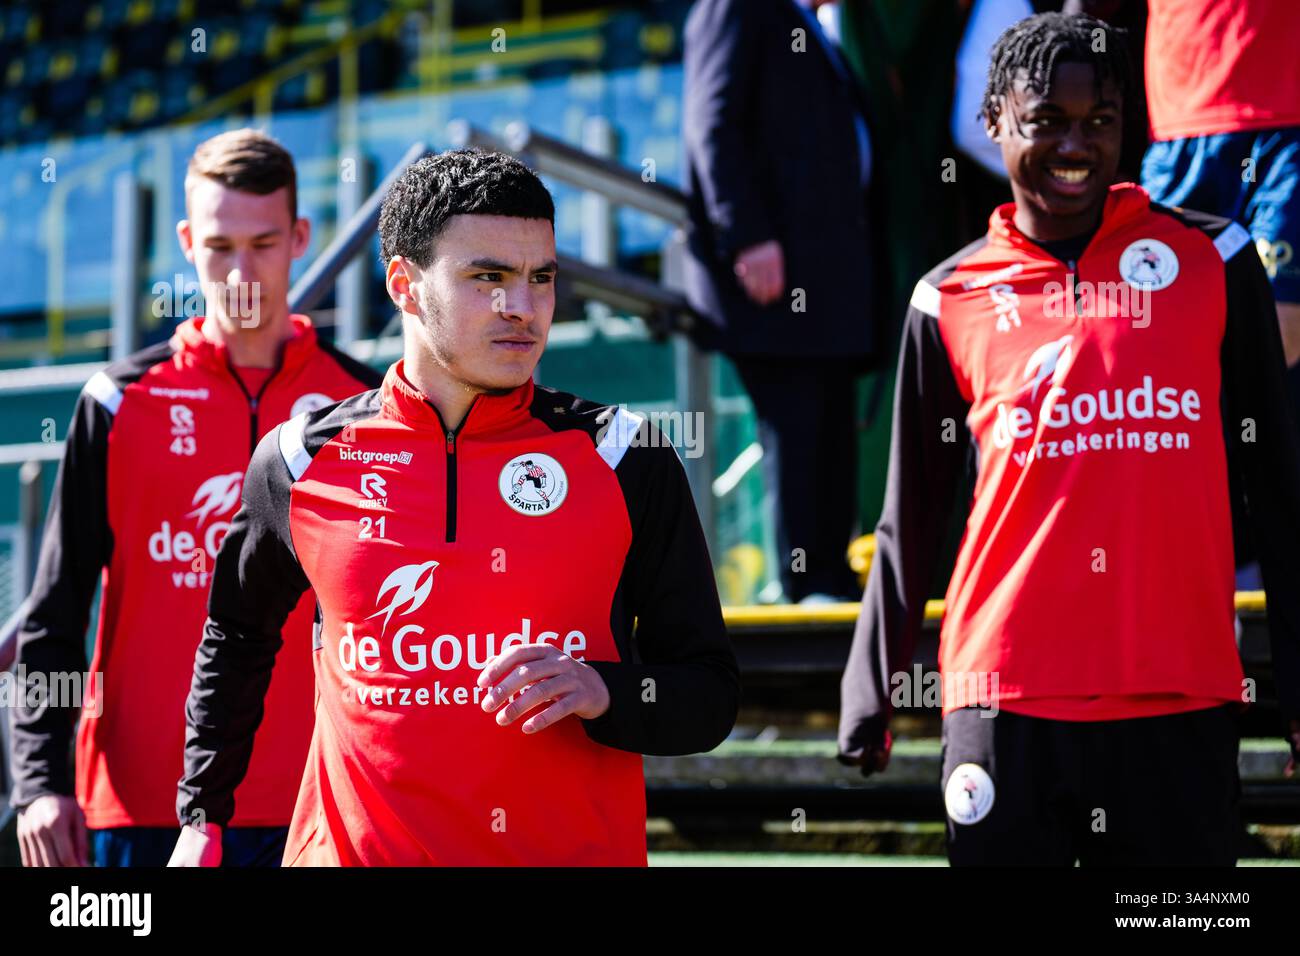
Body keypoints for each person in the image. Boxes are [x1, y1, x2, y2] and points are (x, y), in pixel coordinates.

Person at [168, 148, 740, 866]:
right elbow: (236, 639)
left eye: (541, 279)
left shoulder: (626, 457)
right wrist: (202, 816)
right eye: (488, 278)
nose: (523, 309)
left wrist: (604, 689)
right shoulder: (297, 461)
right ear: (405, 285)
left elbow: (709, 696)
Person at [838, 12, 1300, 865]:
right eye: (1046, 119)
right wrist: (870, 685)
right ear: (994, 124)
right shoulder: (947, 298)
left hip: (1180, 692)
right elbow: (911, 513)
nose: (1075, 145)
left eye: (1101, 121)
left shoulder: (1216, 258)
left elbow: (1280, 486)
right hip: (1002, 696)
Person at [9, 128, 382, 867]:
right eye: (219, 246)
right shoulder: (116, 403)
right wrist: (39, 783)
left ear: (301, 236)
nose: (241, 271)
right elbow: (55, 613)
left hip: (318, 804)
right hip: (137, 809)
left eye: (265, 243)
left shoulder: (363, 406)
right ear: (184, 242)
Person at [682, 0, 884, 603]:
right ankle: (808, 583)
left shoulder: (808, 25)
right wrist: (747, 234)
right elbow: (710, 122)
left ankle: (828, 577)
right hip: (772, 276)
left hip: (822, 283)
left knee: (826, 426)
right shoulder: (736, 8)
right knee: (796, 425)